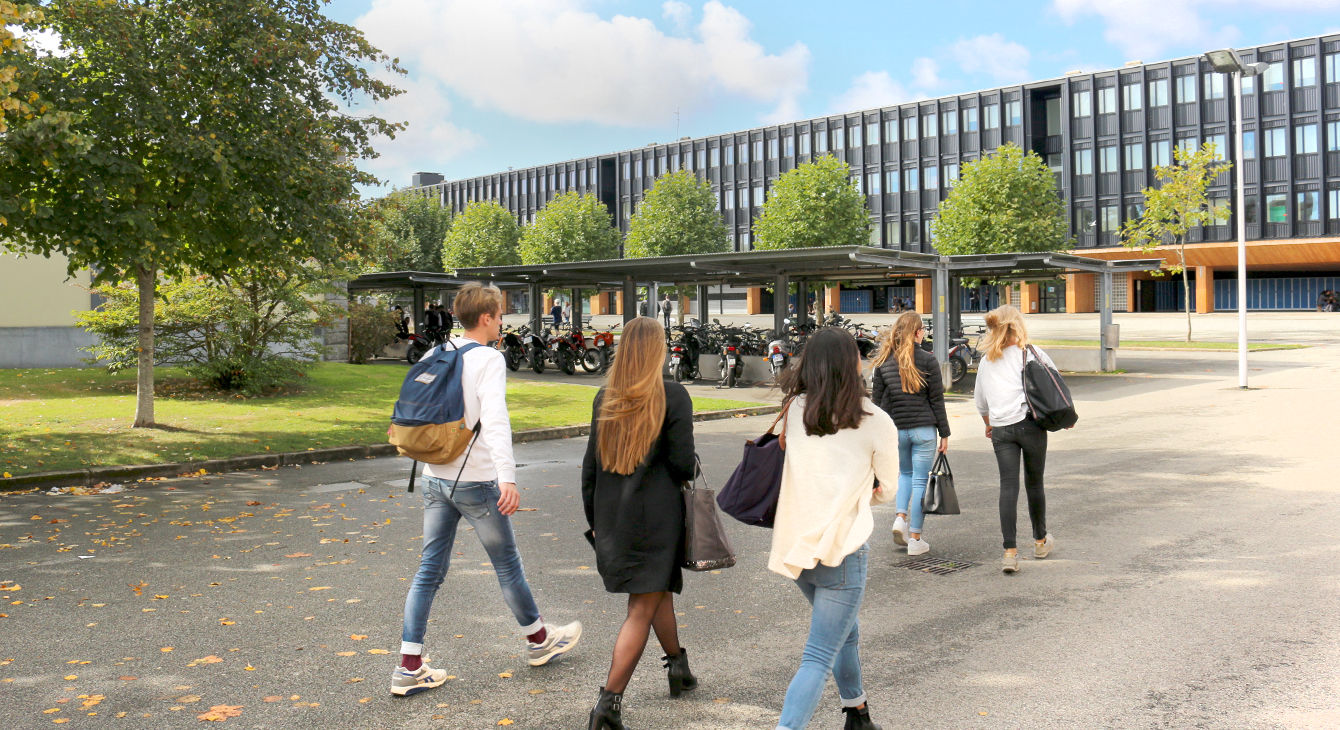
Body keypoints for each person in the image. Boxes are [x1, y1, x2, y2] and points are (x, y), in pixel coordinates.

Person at [392, 282, 582, 697]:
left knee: (428, 571)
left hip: (434, 477)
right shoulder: (488, 359)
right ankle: (539, 642)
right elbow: (495, 422)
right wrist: (508, 477)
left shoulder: (436, 352)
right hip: (475, 482)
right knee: (507, 565)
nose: (502, 322)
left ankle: (408, 666)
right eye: (499, 316)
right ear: (486, 318)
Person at [770, 327, 897, 730]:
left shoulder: (793, 411)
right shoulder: (875, 420)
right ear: (851, 364)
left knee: (844, 629)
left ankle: (857, 711)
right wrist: (864, 495)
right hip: (842, 548)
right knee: (818, 655)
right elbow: (888, 488)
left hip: (796, 545)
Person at [581, 317, 699, 729]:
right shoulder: (673, 395)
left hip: (613, 516)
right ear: (657, 350)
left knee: (655, 591)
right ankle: (608, 704)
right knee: (641, 607)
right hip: (657, 518)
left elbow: (590, 466)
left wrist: (593, 520)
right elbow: (684, 463)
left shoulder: (605, 397)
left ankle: (678, 666)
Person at [974, 304, 1057, 574]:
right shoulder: (1031, 354)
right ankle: (1040, 541)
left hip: (1000, 429)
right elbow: (1054, 386)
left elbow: (981, 401)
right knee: (1035, 484)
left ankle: (1009, 553)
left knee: (1007, 487)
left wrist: (988, 423)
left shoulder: (987, 361)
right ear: (1017, 325)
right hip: (1030, 426)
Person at [869, 312, 949, 557]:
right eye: (923, 329)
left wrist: (877, 435)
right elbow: (937, 400)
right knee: (920, 482)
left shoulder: (884, 362)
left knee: (904, 474)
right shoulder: (928, 360)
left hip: (897, 431)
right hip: (924, 430)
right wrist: (944, 433)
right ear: (916, 332)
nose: (924, 333)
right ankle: (915, 539)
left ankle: (900, 518)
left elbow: (878, 404)